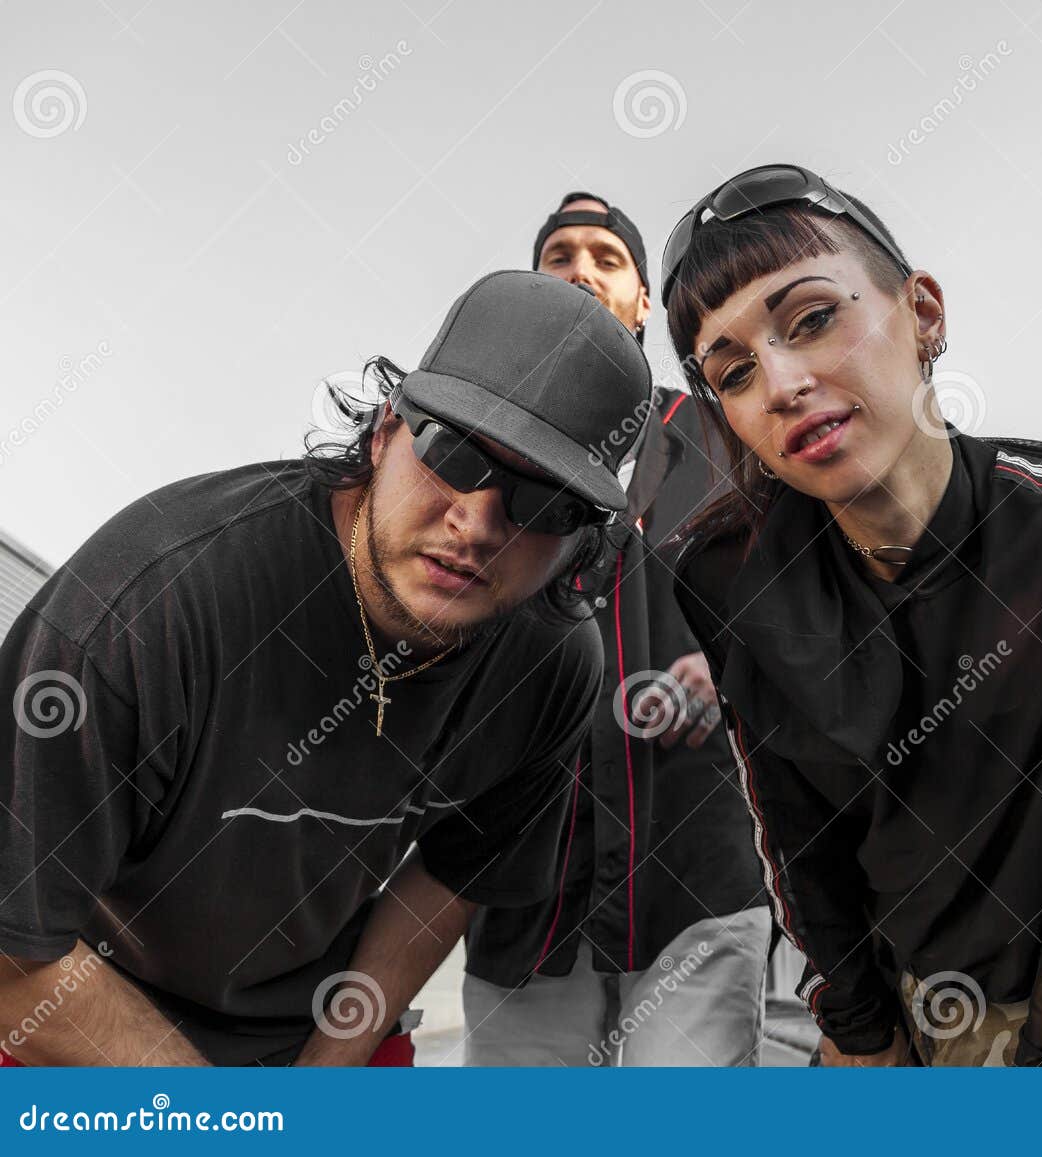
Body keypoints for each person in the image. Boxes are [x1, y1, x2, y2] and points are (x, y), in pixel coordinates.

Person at [0, 271, 650, 1066]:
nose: (477, 524)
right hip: (73, 1009)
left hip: (310, 1024)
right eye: (455, 452)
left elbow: (446, 880)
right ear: (383, 432)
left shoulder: (551, 663)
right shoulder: (151, 604)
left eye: (543, 502)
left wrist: (317, 1087)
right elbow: (11, 953)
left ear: (581, 539)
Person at [664, 164, 1042, 1066]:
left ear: (924, 312)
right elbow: (793, 835)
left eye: (813, 318)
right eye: (735, 371)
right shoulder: (728, 578)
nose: (781, 382)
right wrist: (863, 1038)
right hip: (876, 1039)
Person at [461, 192, 769, 1067]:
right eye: (558, 255)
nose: (580, 271)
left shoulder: (729, 433)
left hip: (698, 882)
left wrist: (730, 670)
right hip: (520, 893)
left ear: (642, 302)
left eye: (606, 257)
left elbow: (810, 607)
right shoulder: (470, 455)